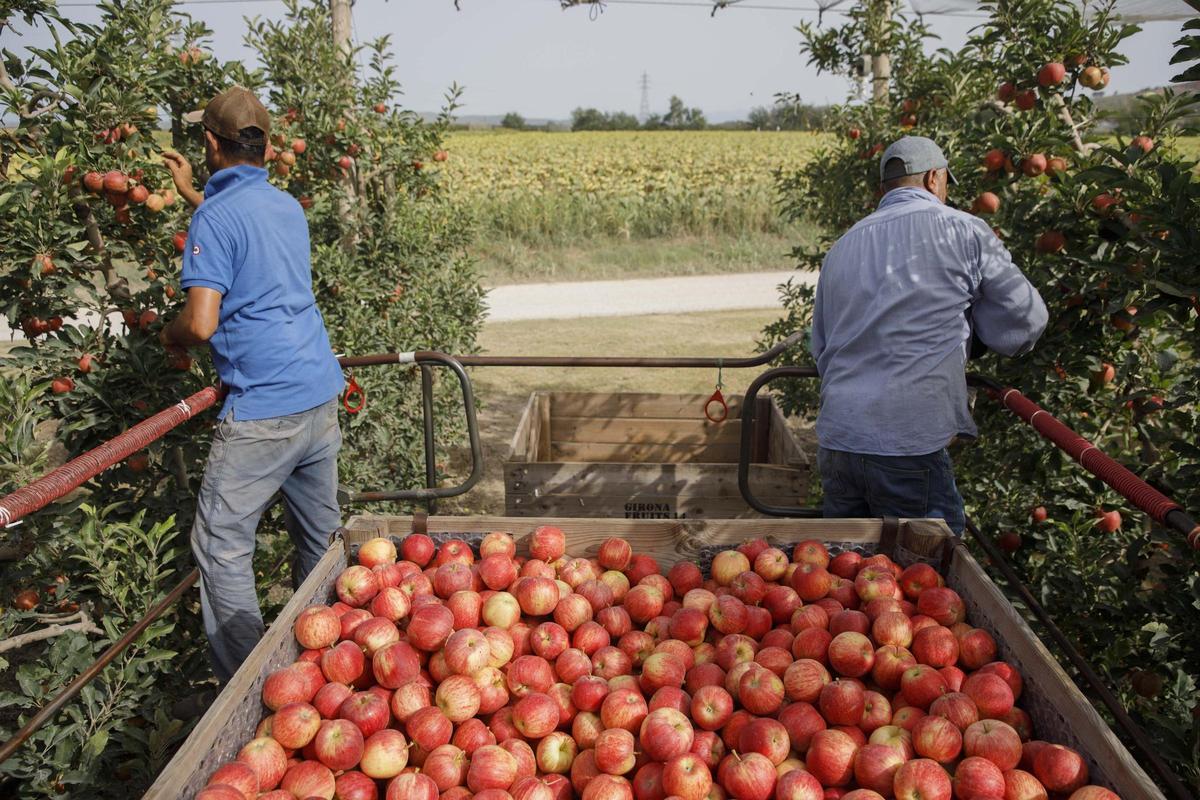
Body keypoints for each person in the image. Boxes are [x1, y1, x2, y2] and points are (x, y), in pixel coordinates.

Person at [160, 86, 345, 684]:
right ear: (263, 149)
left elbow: (202, 321)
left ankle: (247, 690)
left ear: (211, 142)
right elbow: (244, 230)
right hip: (318, 392)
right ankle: (321, 662)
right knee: (318, 541)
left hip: (264, 406)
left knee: (219, 544)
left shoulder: (215, 219)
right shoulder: (285, 206)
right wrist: (193, 193)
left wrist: (171, 335)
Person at [809, 136, 1048, 534]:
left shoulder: (843, 245)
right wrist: (981, 333)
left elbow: (821, 345)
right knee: (927, 573)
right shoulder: (963, 230)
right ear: (935, 178)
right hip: (906, 440)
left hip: (839, 440)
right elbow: (1025, 321)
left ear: (886, 187)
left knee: (849, 579)